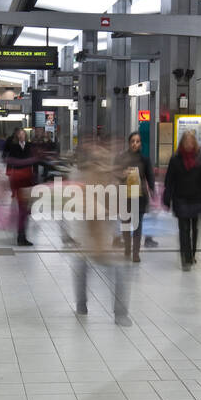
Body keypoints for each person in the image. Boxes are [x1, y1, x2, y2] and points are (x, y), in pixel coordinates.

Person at [72, 139, 130, 326]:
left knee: (119, 271)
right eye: (100, 159)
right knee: (82, 268)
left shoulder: (110, 179)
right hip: (88, 239)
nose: (104, 162)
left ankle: (120, 314)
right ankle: (82, 305)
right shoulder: (85, 177)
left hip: (104, 239)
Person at [162, 130, 201, 271]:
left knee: (194, 230)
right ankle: (186, 258)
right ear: (182, 143)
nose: (189, 144)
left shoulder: (200, 158)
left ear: (194, 143)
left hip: (197, 199)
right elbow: (170, 180)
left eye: (191, 142)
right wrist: (167, 197)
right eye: (186, 142)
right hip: (181, 199)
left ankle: (192, 254)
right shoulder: (175, 159)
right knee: (184, 230)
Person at [114, 131, 154, 263]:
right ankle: (127, 247)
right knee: (125, 224)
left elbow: (149, 176)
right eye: (133, 141)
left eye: (137, 141)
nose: (135, 144)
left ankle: (135, 253)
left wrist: (152, 190)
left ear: (141, 144)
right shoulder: (121, 158)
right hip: (125, 196)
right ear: (129, 143)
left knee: (138, 225)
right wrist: (123, 173)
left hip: (139, 196)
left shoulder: (144, 159)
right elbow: (114, 173)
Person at [4, 126, 36, 246]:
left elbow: (34, 161)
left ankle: (22, 236)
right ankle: (21, 237)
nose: (21, 136)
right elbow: (10, 161)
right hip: (19, 180)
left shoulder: (29, 146)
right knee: (23, 210)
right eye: (19, 134)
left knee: (25, 210)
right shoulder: (14, 147)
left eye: (23, 134)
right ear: (17, 136)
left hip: (27, 179)